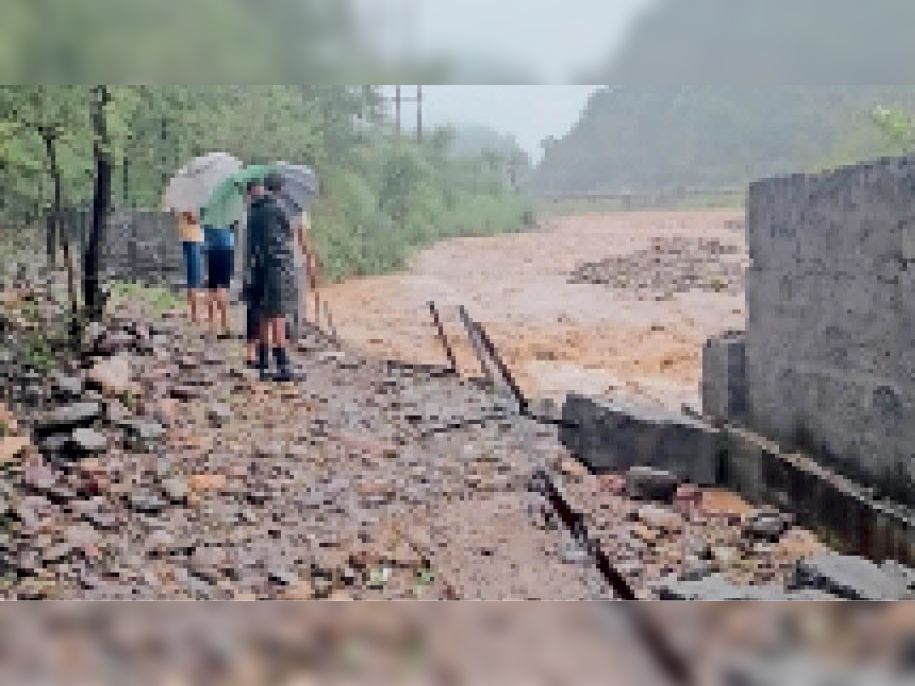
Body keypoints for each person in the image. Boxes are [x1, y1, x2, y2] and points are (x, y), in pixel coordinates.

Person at [246, 173, 298, 381]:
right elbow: (286, 237)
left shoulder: (254, 210)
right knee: (278, 314)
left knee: (263, 314)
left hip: (258, 267)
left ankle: (263, 363)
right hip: (276, 267)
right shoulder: (277, 209)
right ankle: (283, 364)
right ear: (281, 189)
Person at [201, 206, 235, 338]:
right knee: (223, 288)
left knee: (211, 288)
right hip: (225, 249)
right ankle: (225, 326)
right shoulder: (227, 208)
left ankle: (211, 326)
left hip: (211, 249)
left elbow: (202, 224)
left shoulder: (205, 208)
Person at [176, 210, 204, 324]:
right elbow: (193, 218)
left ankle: (194, 312)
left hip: (188, 236)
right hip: (193, 238)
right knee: (194, 278)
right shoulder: (188, 200)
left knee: (193, 278)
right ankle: (194, 314)